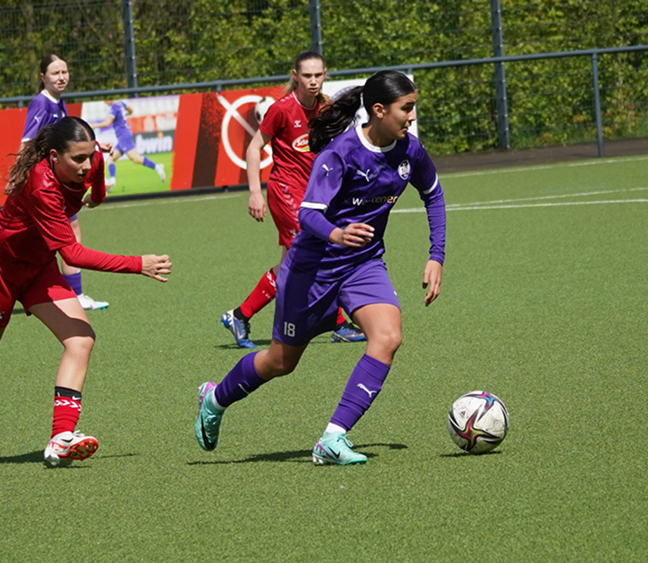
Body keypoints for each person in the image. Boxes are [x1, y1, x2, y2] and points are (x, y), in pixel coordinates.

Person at [194, 70, 445, 465]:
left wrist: (436, 255)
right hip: (312, 270)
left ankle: (333, 438)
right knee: (281, 361)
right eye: (406, 109)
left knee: (388, 337)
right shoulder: (340, 154)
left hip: (363, 265)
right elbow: (308, 216)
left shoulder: (409, 150)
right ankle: (215, 397)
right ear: (379, 111)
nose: (412, 117)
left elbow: (434, 195)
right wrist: (337, 235)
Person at [0, 116, 172, 467]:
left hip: (37, 267)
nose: (86, 165)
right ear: (53, 157)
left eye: (89, 156)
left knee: (81, 339)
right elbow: (73, 254)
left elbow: (97, 172)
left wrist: (97, 194)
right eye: (78, 160)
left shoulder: (92, 158)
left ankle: (61, 438)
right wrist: (137, 264)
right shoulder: (42, 185)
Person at [220, 51, 365, 349]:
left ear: (326, 74)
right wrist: (255, 192)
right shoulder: (282, 109)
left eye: (318, 75)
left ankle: (240, 315)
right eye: (307, 76)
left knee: (291, 262)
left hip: (315, 196)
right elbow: (254, 148)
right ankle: (337, 322)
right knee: (318, 252)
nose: (313, 81)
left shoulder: (327, 107)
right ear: (295, 76)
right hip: (285, 191)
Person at [22, 54, 108, 310]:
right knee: (68, 236)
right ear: (42, 77)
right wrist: (28, 179)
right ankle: (75, 295)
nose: (61, 77)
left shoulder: (58, 103)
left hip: (54, 182)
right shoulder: (42, 103)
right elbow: (26, 143)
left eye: (64, 72)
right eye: (55, 73)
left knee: (58, 236)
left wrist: (97, 146)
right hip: (45, 184)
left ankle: (69, 293)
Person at [92, 100, 166, 186]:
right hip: (125, 134)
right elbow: (131, 110)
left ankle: (157, 167)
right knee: (110, 159)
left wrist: (93, 126)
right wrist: (124, 115)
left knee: (135, 158)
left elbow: (107, 123)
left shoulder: (113, 107)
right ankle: (112, 181)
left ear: (109, 99)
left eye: (105, 100)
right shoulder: (121, 103)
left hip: (123, 135)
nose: (105, 103)